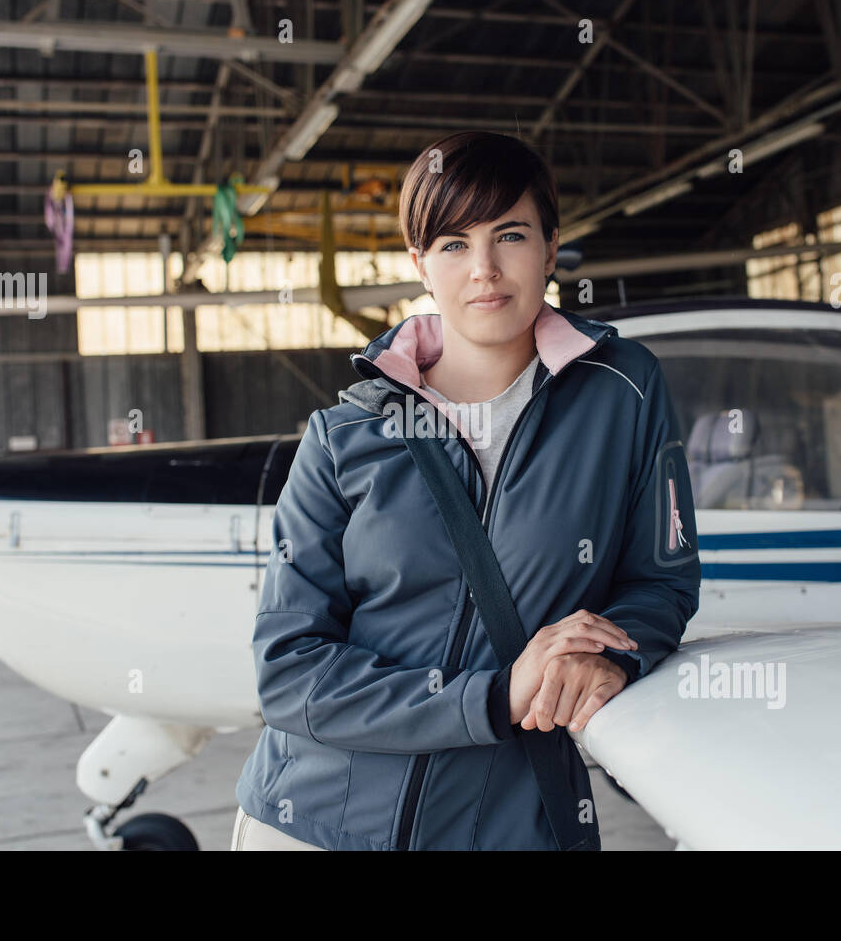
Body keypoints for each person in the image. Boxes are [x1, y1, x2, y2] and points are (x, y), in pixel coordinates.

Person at [231, 130, 700, 851]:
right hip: (309, 824)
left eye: (510, 235)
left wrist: (610, 655)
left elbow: (659, 583)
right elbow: (290, 674)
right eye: (452, 244)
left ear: (550, 245)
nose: (484, 269)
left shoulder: (626, 390)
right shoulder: (342, 435)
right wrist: (489, 698)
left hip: (508, 825)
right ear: (419, 263)